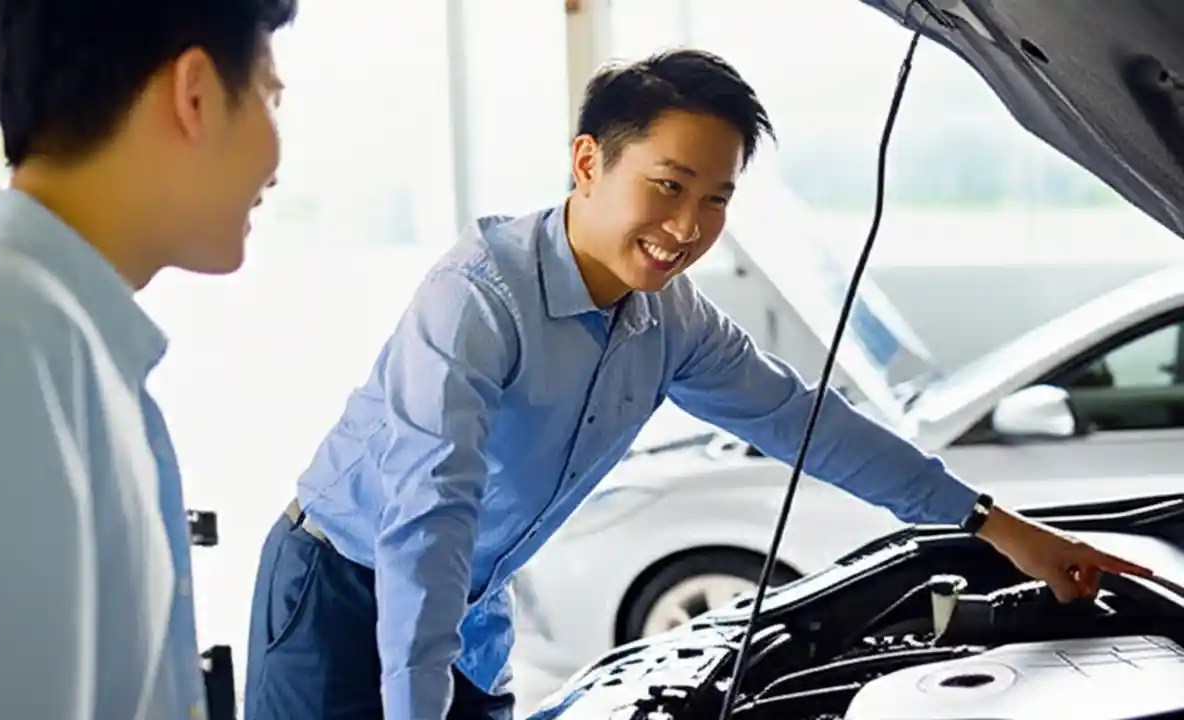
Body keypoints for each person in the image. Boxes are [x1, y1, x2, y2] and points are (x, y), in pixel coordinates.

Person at [244, 48, 1152, 720]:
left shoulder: (669, 320)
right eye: (669, 185)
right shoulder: (479, 297)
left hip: (466, 601)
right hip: (339, 587)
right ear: (589, 160)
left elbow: (811, 426)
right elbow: (426, 518)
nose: (686, 227)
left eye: (715, 198)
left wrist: (1001, 530)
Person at [0, 1, 296, 717]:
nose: (276, 153)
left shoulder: (49, 330)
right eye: (270, 94)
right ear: (196, 94)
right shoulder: (1, 339)